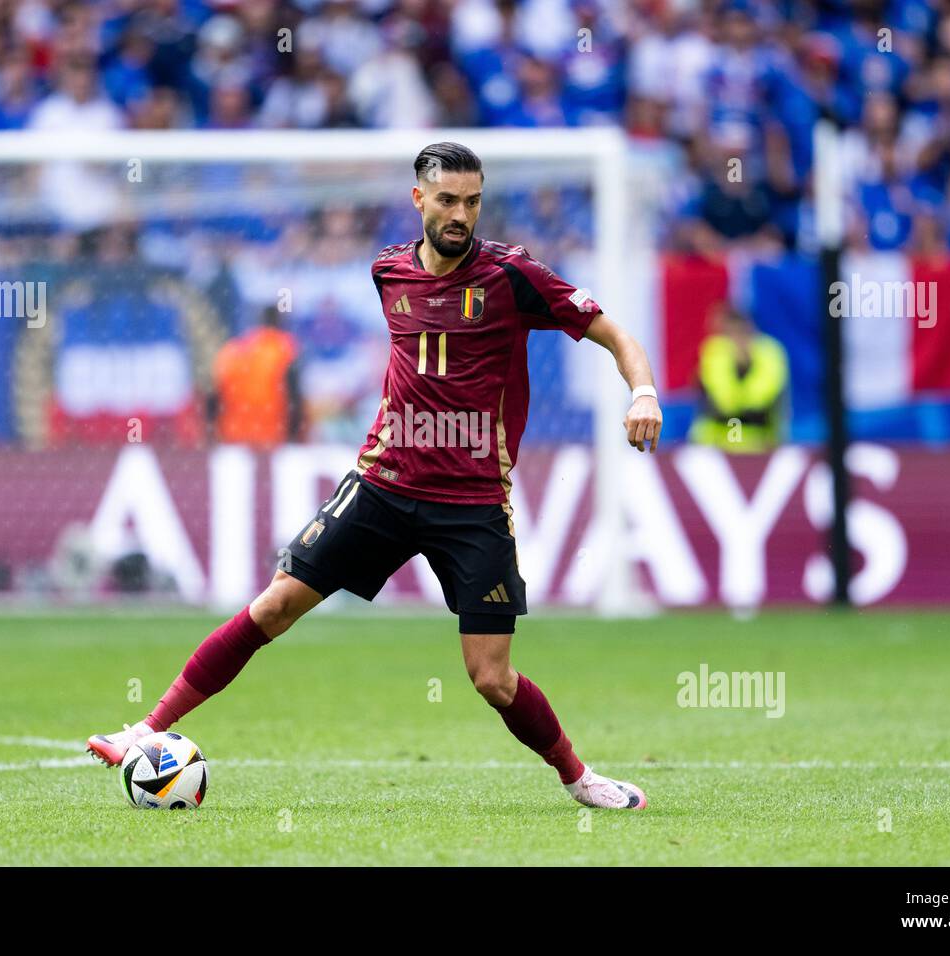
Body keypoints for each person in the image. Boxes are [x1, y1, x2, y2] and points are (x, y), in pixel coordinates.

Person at [88, 142, 664, 810]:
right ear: (419, 199)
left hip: (472, 501)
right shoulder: (387, 271)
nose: (461, 214)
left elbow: (615, 333)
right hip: (384, 484)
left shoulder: (514, 276)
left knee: (491, 678)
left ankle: (578, 777)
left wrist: (643, 392)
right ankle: (147, 729)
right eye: (447, 200)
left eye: (472, 201)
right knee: (274, 605)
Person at [689, 304, 788, 452]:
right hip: (715, 445)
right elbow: (725, 400)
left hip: (760, 444)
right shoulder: (714, 351)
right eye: (732, 334)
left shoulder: (770, 352)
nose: (738, 340)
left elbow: (760, 398)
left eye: (742, 332)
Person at [210, 306, 302, 447]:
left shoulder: (235, 347)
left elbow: (216, 391)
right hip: (271, 433)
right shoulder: (284, 348)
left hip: (232, 432)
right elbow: (293, 394)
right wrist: (294, 432)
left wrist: (213, 426)